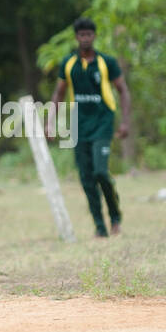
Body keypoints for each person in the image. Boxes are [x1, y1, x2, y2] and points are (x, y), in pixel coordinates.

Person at [48, 18, 132, 237]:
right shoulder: (68, 64)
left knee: (101, 172)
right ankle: (100, 227)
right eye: (81, 34)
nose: (85, 38)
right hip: (78, 126)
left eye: (89, 34)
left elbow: (123, 90)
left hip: (103, 122)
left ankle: (115, 216)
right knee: (86, 178)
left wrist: (125, 121)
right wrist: (50, 122)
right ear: (76, 37)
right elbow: (58, 93)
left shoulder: (107, 63)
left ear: (94, 36)